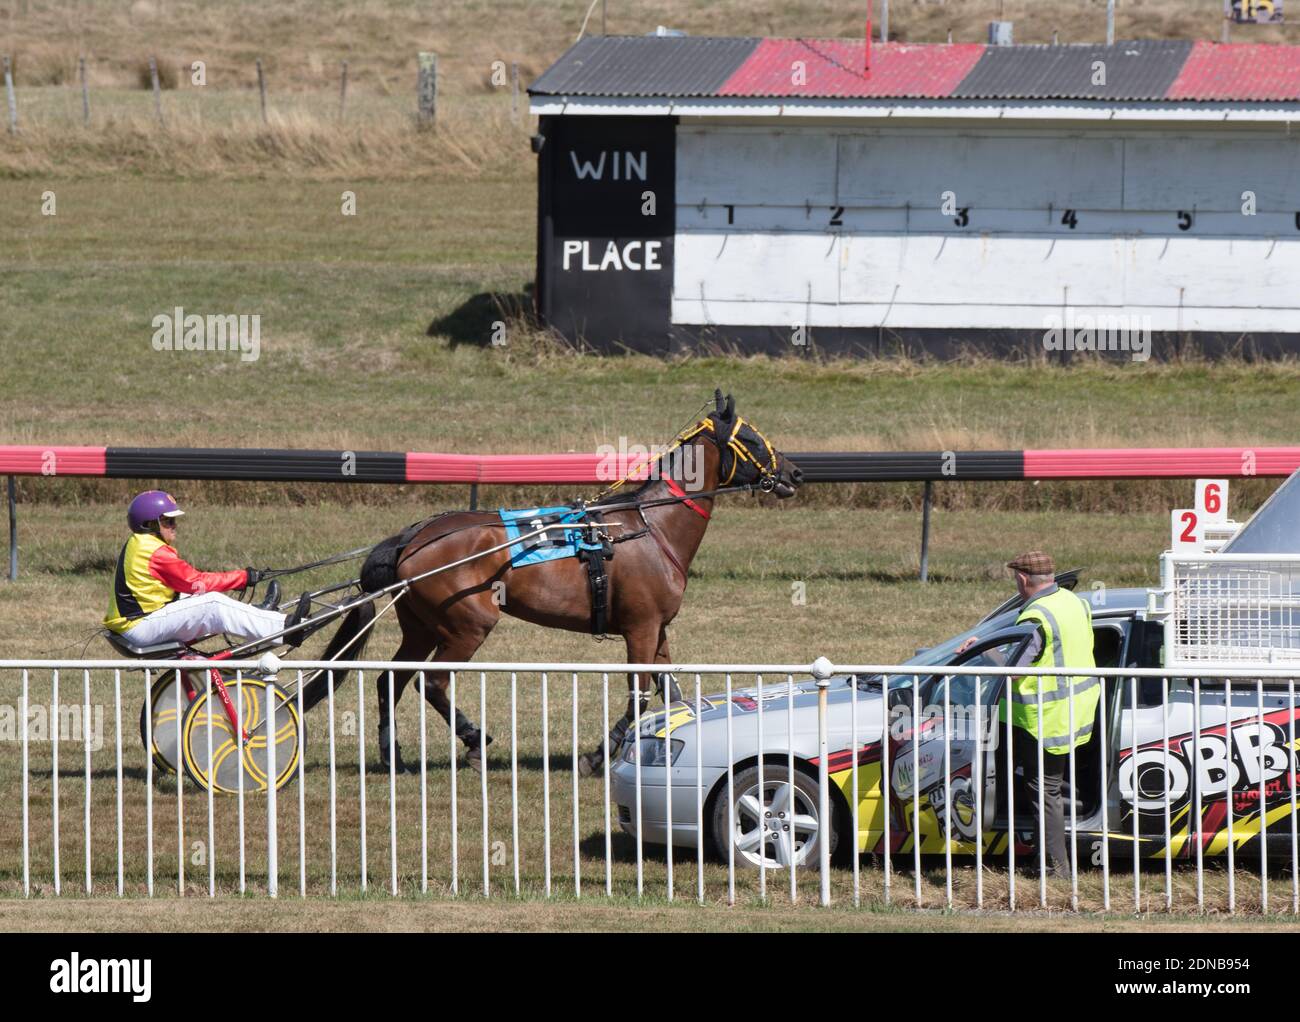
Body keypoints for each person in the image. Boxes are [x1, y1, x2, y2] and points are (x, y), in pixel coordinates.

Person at [998, 551, 1098, 877]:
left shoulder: (1035, 618)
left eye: (1017, 579)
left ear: (1023, 579)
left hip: (1045, 720)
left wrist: (984, 651)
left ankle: (1057, 871)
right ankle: (1049, 861)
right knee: (1051, 786)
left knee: (1045, 792)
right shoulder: (1074, 602)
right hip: (1077, 711)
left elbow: (1012, 672)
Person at [104, 490, 310, 648]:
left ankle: (260, 613)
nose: (174, 525)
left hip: (139, 621)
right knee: (212, 603)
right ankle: (288, 629)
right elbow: (197, 582)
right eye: (168, 521)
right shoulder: (154, 551)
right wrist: (242, 577)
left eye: (174, 520)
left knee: (200, 600)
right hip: (140, 627)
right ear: (149, 524)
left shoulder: (140, 542)